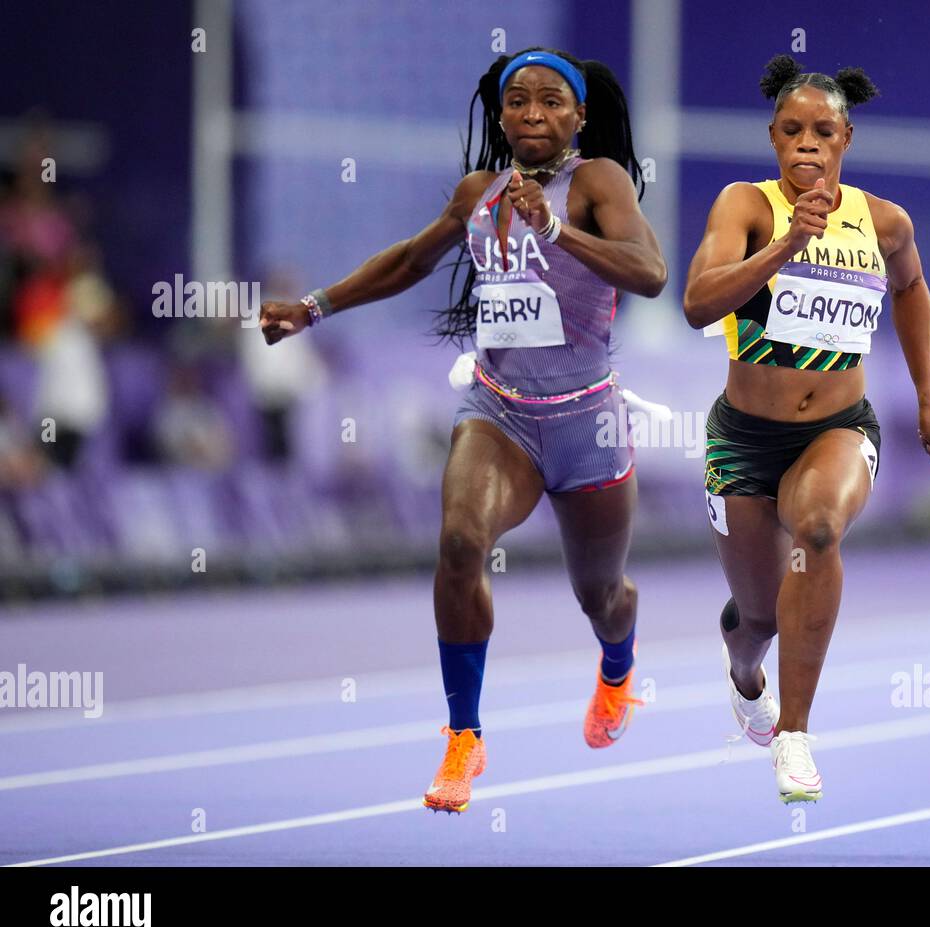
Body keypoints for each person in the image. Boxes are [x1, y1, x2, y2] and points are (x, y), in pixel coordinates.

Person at [257, 47, 666, 813]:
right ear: (501, 115)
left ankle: (617, 667)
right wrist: (311, 308)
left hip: (588, 423)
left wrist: (562, 231)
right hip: (499, 412)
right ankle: (464, 737)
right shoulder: (479, 192)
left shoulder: (600, 183)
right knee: (458, 542)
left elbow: (649, 273)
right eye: (517, 102)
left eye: (551, 102)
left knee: (601, 593)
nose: (533, 114)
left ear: (578, 116)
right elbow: (412, 260)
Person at [682, 55, 930, 803]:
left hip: (836, 428)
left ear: (846, 139)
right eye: (792, 130)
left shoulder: (886, 222)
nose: (807, 143)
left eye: (823, 132)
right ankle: (746, 676)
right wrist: (783, 248)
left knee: (821, 530)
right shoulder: (745, 207)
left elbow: (912, 288)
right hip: (743, 438)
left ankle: (795, 736)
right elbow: (698, 304)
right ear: (774, 138)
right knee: (758, 617)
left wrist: (928, 400)